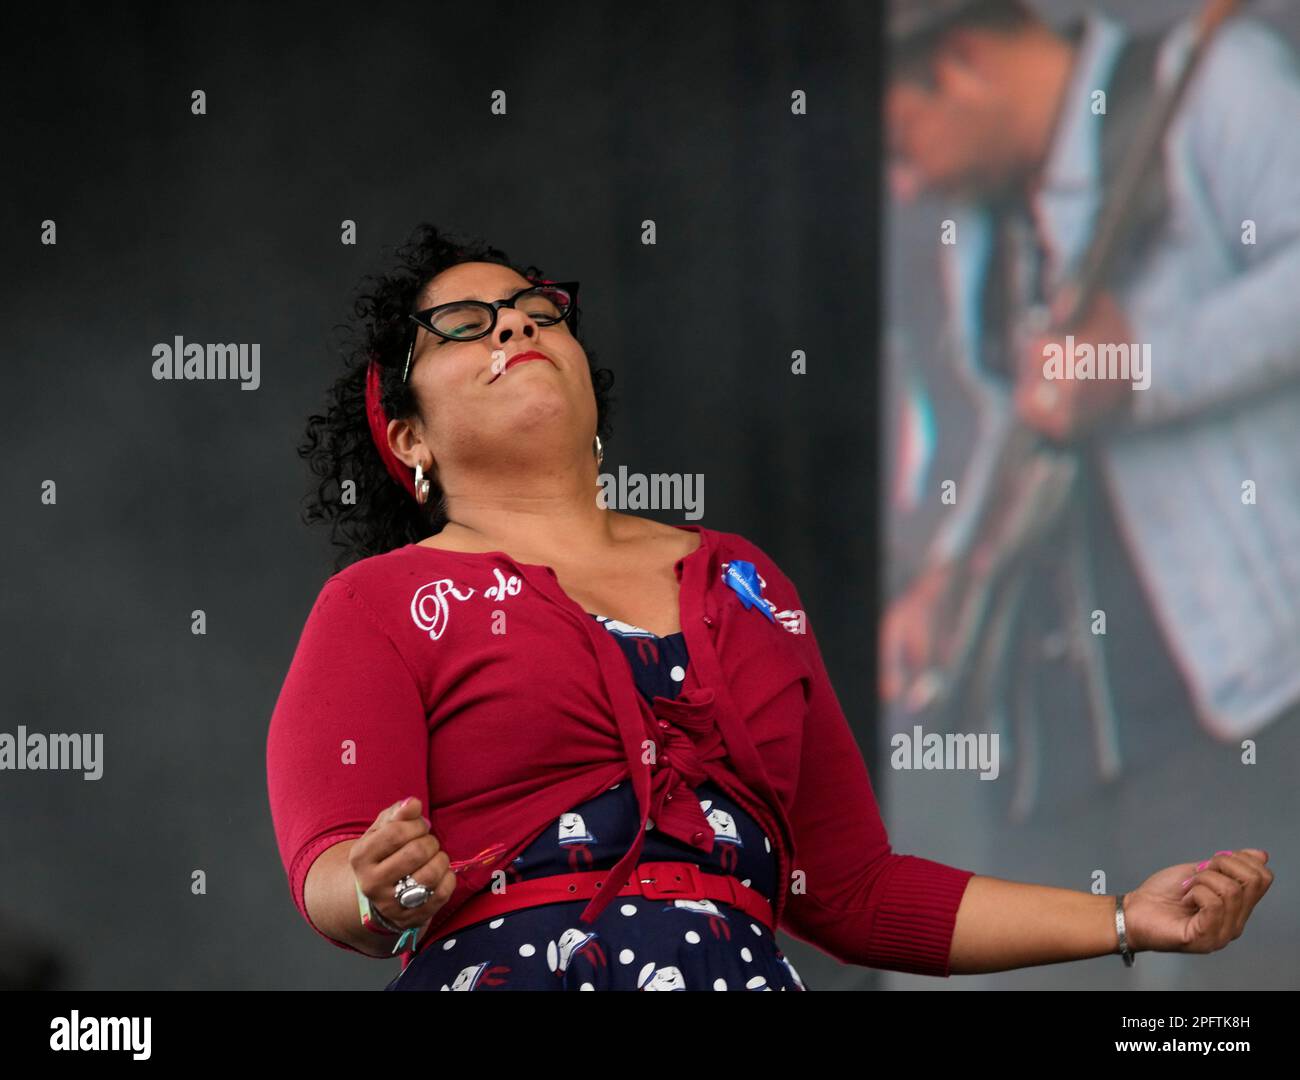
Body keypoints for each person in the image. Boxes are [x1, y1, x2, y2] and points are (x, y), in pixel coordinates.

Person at [265, 222, 1272, 990]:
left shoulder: (742, 579)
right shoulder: (379, 602)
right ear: (407, 439)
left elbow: (853, 889)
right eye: (464, 326)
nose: (519, 325)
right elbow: (334, 876)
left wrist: (1122, 920)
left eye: (537, 309)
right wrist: (375, 885)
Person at [881, 0, 1300, 815]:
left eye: (902, 144)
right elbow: (1024, 411)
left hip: (1251, 698)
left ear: (964, 60)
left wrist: (1143, 362)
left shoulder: (1218, 84)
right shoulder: (980, 231)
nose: (908, 185)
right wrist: (949, 576)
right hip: (1064, 747)